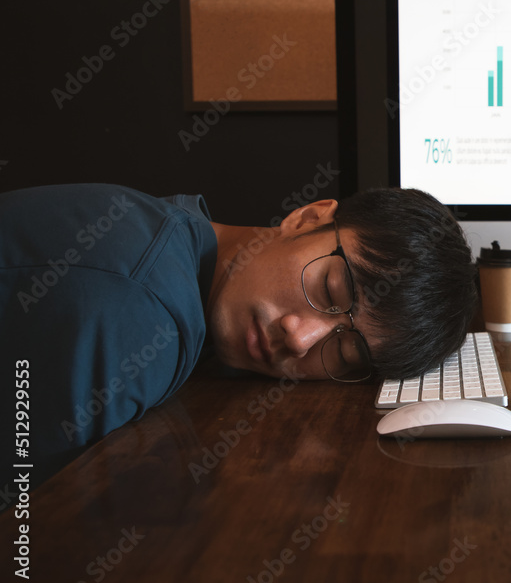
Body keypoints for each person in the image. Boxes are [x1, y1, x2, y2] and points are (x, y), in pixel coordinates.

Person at [0, 182, 478, 489]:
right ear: (308, 217)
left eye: (345, 350)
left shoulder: (179, 231)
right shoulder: (141, 315)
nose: (300, 339)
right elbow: (23, 546)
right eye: (330, 287)